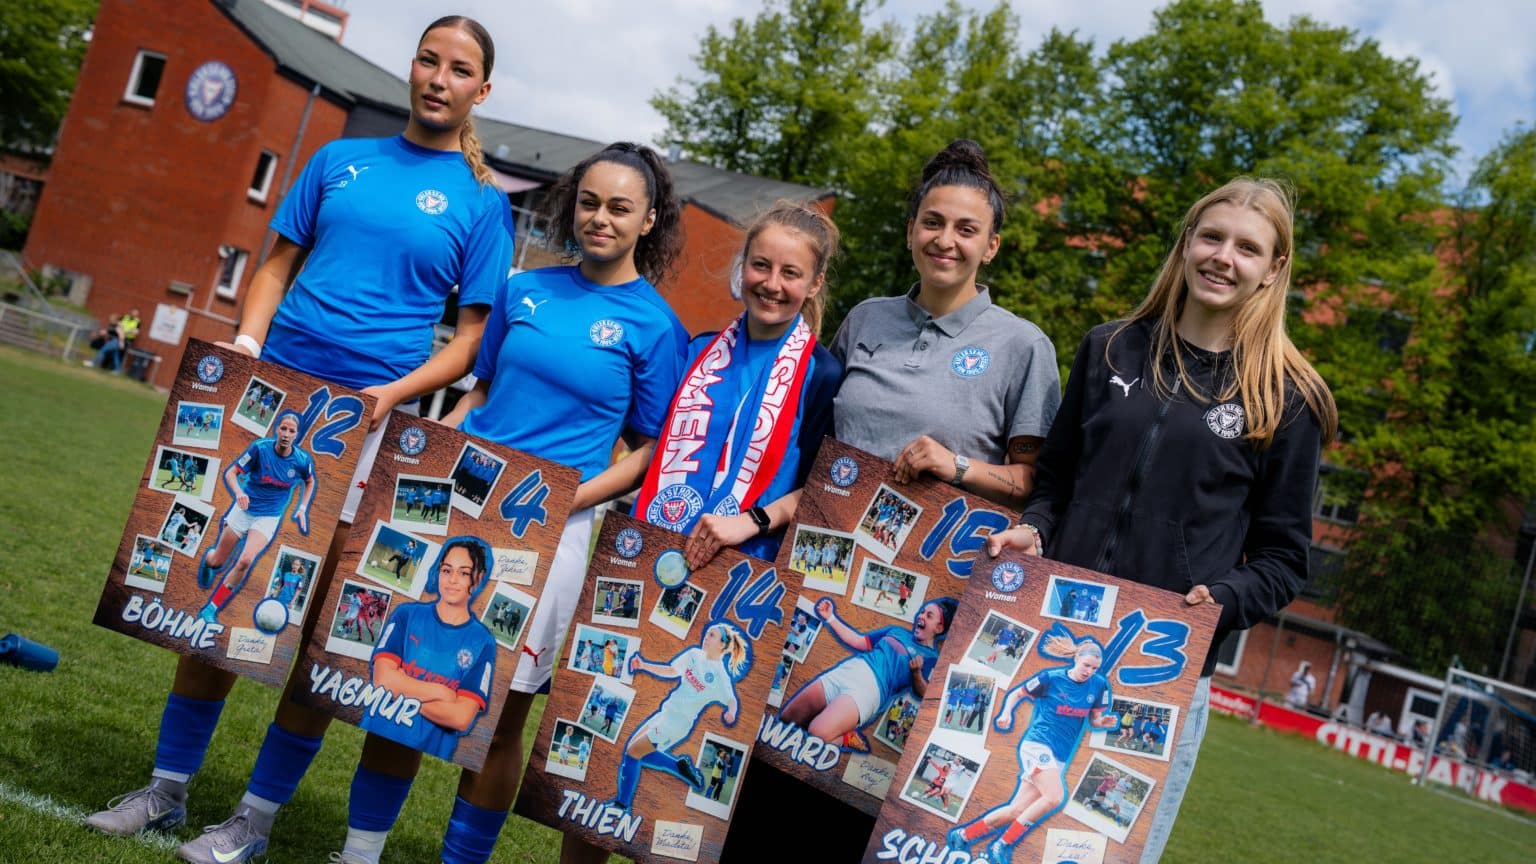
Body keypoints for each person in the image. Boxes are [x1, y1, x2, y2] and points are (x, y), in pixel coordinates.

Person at [85, 15, 513, 864]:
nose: (437, 77)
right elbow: (274, 265)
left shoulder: (483, 203)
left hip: (370, 427)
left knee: (315, 631)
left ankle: (253, 818)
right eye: (427, 58)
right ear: (412, 67)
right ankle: (167, 790)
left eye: (458, 69)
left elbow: (472, 342)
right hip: (272, 398)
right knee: (209, 601)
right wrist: (249, 345)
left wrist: (390, 394)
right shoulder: (337, 159)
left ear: (480, 91)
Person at [728, 138, 1061, 861]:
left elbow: (1038, 487)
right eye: (933, 223)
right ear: (912, 230)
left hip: (926, 603)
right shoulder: (866, 321)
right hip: (816, 577)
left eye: (967, 229)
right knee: (767, 772)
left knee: (856, 794)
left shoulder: (1023, 346)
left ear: (992, 245)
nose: (947, 240)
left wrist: (958, 465)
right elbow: (819, 449)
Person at [987, 177, 1337, 862]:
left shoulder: (1286, 399)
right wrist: (1036, 528)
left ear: (1274, 269)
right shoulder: (1109, 348)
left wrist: (1225, 598)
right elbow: (1055, 483)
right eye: (1211, 237)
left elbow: (1284, 559)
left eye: (1247, 247)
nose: (1223, 257)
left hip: (1159, 678)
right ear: (1185, 244)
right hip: (1056, 649)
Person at [393, 140, 689, 864]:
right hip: (465, 504)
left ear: (648, 221)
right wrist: (433, 458)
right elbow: (482, 391)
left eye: (620, 208)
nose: (600, 218)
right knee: (405, 689)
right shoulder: (525, 289)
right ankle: (362, 850)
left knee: (499, 714)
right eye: (589, 202)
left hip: (557, 530)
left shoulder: (657, 327)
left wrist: (565, 499)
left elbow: (652, 449)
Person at [635, 199, 844, 567]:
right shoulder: (698, 350)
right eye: (761, 265)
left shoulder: (822, 374)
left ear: (815, 284)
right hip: (658, 547)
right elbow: (652, 444)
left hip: (744, 566)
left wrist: (751, 522)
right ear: (743, 265)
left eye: (791, 273)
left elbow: (820, 492)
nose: (772, 284)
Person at [946, 636, 1117, 862]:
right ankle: (1001, 845)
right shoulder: (1051, 678)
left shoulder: (1099, 685)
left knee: (1016, 810)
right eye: (1086, 665)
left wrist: (1101, 723)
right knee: (1055, 797)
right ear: (1076, 658)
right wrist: (1007, 713)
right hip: (1038, 745)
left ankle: (964, 835)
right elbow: (1018, 694)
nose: (1089, 671)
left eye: (1094, 668)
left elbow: (1094, 719)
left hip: (1060, 756)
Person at [362, 538, 497, 761]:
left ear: (479, 578)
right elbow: (383, 681)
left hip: (431, 745)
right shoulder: (407, 614)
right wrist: (442, 693)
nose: (452, 580)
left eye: (464, 573)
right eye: (447, 570)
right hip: (382, 727)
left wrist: (403, 687)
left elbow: (461, 718)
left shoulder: (482, 641)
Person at [779, 596, 958, 751]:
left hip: (870, 691)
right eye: (922, 612)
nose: (921, 616)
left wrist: (917, 673)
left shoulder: (932, 658)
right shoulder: (896, 631)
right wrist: (830, 617)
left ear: (939, 628)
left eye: (929, 615)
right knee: (787, 719)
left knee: (816, 734)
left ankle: (849, 739)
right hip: (849, 670)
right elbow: (858, 641)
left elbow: (924, 693)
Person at [607, 622, 750, 810]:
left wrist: (731, 712)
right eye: (706, 633)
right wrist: (643, 665)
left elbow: (731, 699)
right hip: (666, 712)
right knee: (635, 752)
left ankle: (621, 804)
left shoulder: (720, 676)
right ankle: (679, 766)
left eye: (712, 635)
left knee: (633, 753)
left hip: (677, 723)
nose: (706, 637)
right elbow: (671, 670)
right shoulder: (694, 654)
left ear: (722, 645)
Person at [195, 411, 316, 624]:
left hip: (268, 517)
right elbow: (231, 473)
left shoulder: (301, 460)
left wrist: (302, 507)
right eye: (284, 428)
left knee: (245, 560)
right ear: (277, 429)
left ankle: (210, 609)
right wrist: (239, 493)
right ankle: (208, 561)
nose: (286, 434)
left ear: (297, 435)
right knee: (217, 562)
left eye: (292, 431)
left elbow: (309, 481)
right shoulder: (259, 449)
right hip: (243, 510)